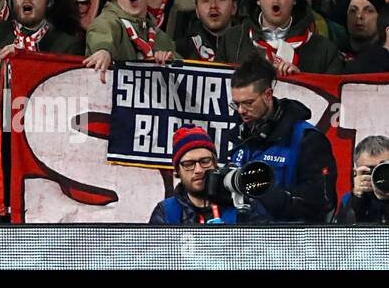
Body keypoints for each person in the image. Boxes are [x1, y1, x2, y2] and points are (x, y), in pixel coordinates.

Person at [226, 58, 337, 223]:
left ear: (268, 95)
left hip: (289, 239)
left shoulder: (307, 139)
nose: (241, 111)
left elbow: (322, 202)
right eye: (236, 104)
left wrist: (269, 195)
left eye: (248, 103)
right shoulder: (239, 136)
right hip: (241, 237)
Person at [215, 0, 344, 73]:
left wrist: (300, 84)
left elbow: (333, 99)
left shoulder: (324, 49)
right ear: (258, 0)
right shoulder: (232, 40)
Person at [149, 125, 268, 224]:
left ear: (215, 163)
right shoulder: (166, 213)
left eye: (205, 161)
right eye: (189, 164)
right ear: (177, 170)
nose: (198, 170)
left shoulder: (243, 206)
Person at [83, 0, 178, 80]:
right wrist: (103, 50)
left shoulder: (162, 38)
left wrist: (171, 62)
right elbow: (101, 31)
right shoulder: (109, 21)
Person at [337, 135, 389, 223]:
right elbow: (343, 233)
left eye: (383, 168)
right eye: (370, 170)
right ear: (356, 173)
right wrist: (357, 199)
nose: (377, 174)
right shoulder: (349, 199)